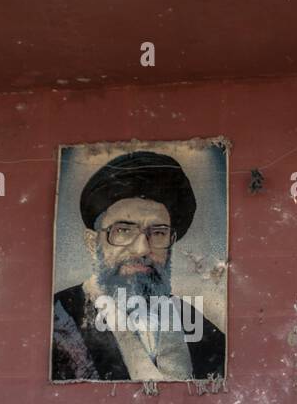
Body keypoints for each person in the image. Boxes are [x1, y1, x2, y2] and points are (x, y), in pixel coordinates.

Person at [51, 151, 225, 382]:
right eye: (123, 230)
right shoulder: (57, 318)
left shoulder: (197, 325)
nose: (142, 249)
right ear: (93, 244)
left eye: (159, 233)